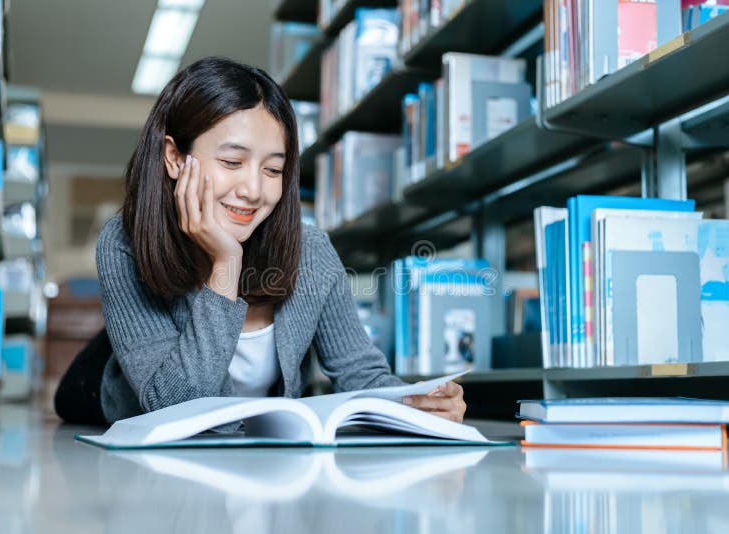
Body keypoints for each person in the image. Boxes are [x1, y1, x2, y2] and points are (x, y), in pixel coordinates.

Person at [54, 57, 466, 426]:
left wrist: (418, 403)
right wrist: (225, 264)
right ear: (175, 158)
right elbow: (174, 407)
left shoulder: (311, 251)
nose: (253, 190)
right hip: (112, 390)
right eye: (232, 162)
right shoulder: (124, 243)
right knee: (74, 394)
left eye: (272, 170)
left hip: (247, 440)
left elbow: (359, 371)